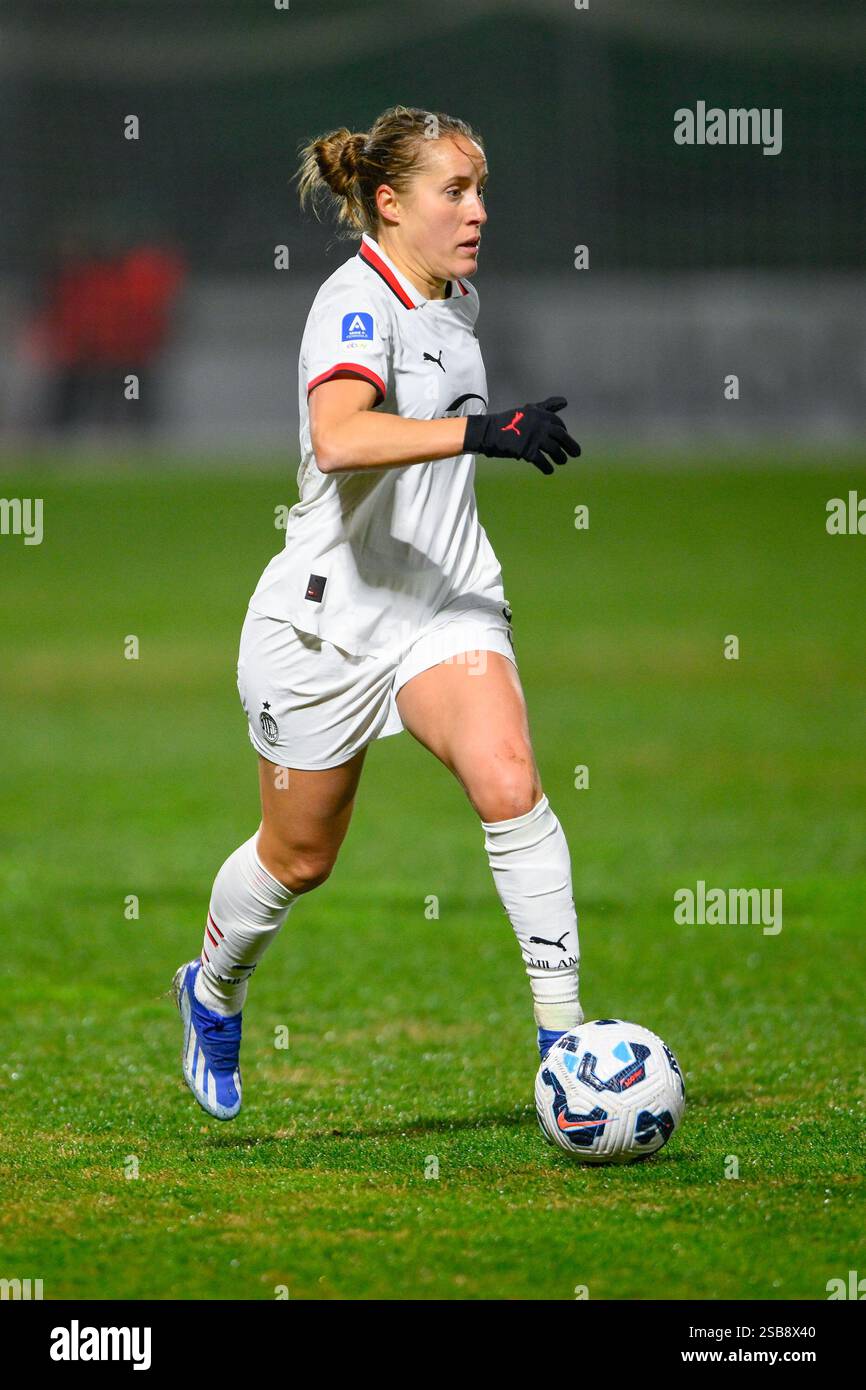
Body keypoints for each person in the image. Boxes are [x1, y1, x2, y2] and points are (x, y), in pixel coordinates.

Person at [171, 105, 583, 1121]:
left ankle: (566, 1042)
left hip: (442, 599)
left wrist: (473, 434)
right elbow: (340, 436)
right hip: (327, 622)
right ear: (389, 204)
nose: (477, 211)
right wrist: (480, 433)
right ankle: (212, 988)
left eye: (480, 190)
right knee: (299, 856)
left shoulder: (451, 295)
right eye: (455, 192)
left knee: (509, 780)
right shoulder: (354, 301)